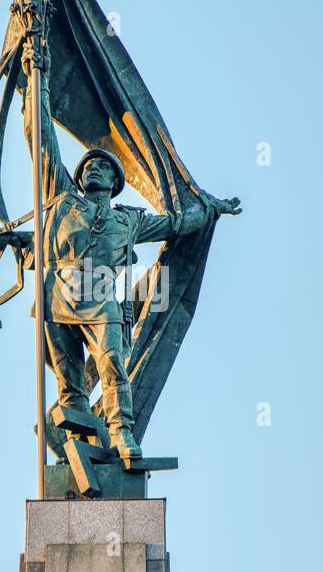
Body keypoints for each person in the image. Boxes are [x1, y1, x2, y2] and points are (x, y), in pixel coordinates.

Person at [23, 77, 240, 463]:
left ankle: (121, 432)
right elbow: (40, 139)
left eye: (100, 166)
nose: (92, 168)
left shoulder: (129, 222)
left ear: (114, 182)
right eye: (87, 165)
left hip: (101, 292)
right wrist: (36, 75)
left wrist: (209, 206)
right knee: (68, 381)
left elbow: (177, 223)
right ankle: (81, 447)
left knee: (111, 364)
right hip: (57, 291)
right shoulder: (61, 197)